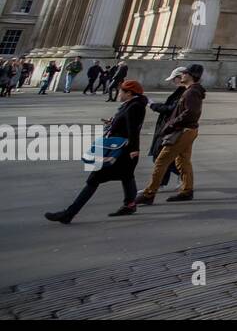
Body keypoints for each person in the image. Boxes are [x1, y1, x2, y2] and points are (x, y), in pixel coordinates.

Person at [45, 79, 150, 223]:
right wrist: (112, 123)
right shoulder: (130, 105)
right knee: (127, 176)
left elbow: (133, 129)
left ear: (129, 93)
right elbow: (125, 124)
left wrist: (134, 149)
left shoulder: (135, 106)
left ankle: (69, 213)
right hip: (123, 149)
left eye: (121, 91)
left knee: (94, 179)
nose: (119, 93)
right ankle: (130, 204)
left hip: (121, 151)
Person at [136, 64, 206, 205]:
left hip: (183, 131)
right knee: (182, 161)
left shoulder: (191, 92)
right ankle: (187, 190)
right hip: (188, 130)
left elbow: (191, 112)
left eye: (185, 73)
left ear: (191, 76)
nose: (182, 76)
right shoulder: (190, 91)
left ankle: (149, 193)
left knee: (161, 161)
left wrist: (172, 124)